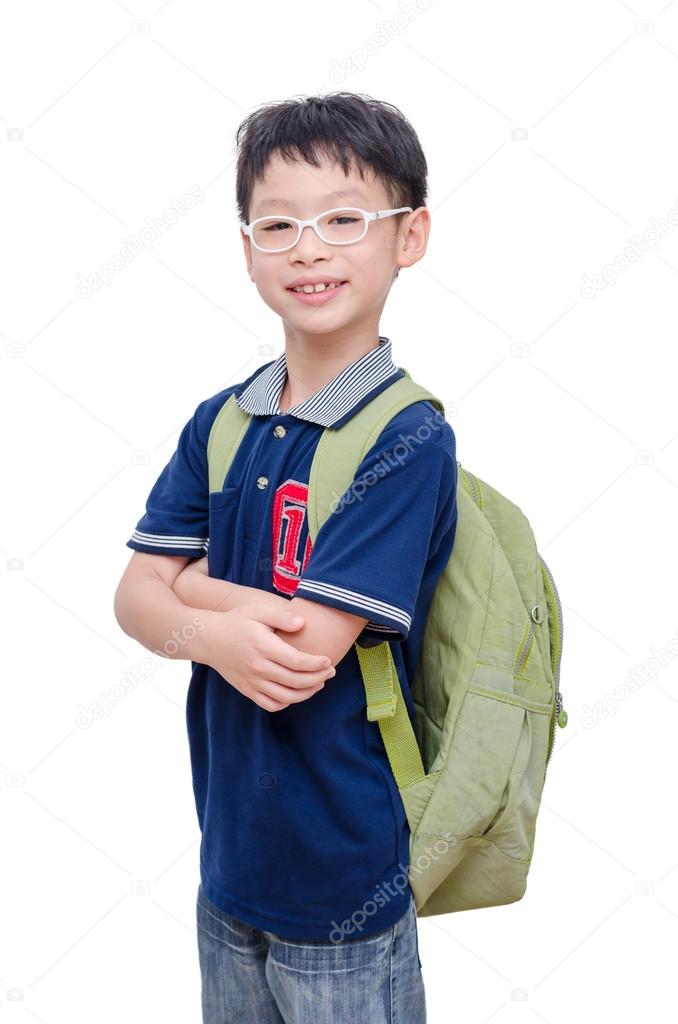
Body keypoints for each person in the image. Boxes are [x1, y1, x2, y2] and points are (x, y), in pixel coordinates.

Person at [114, 91, 458, 1024]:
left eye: (344, 219)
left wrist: (184, 596)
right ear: (248, 249)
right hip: (228, 867)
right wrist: (210, 624)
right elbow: (128, 599)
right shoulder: (223, 422)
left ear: (410, 234)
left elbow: (300, 655)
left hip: (344, 886)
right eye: (278, 224)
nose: (309, 247)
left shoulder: (405, 435)